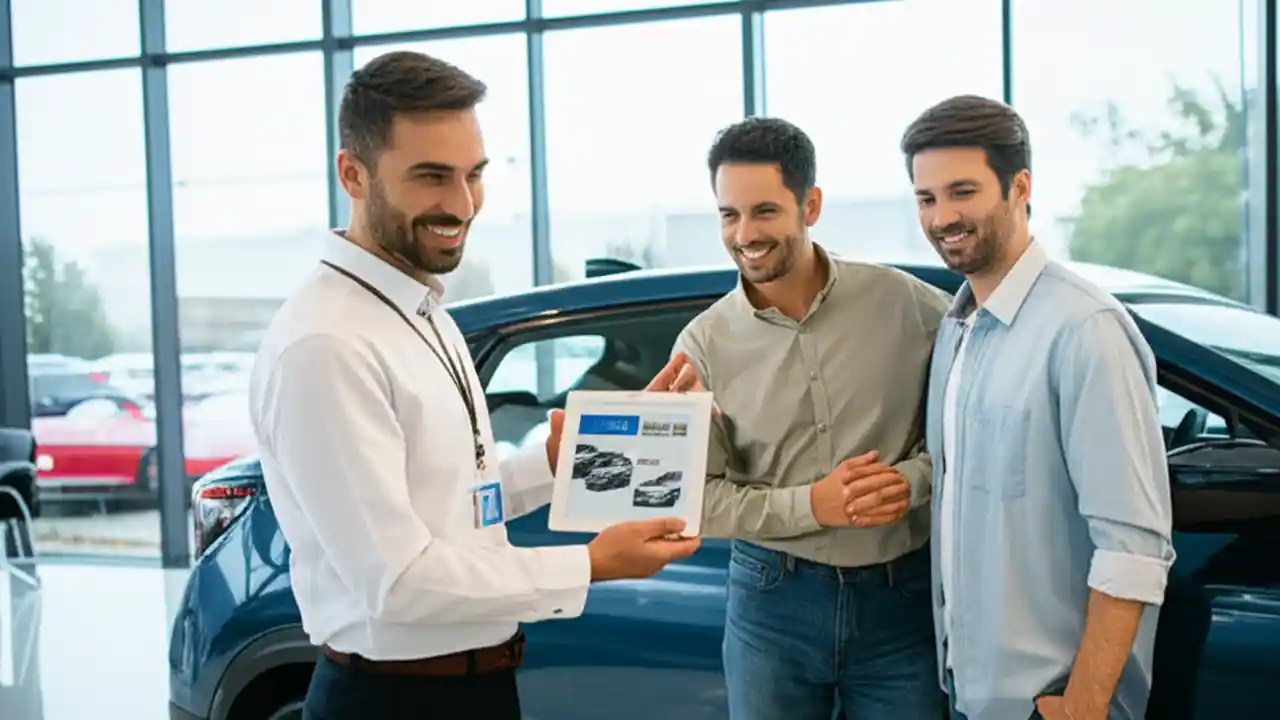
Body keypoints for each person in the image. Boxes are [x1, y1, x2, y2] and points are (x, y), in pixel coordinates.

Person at [247, 51, 701, 720]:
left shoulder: (421, 310)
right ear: (353, 173)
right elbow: (399, 583)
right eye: (432, 177)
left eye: (474, 175)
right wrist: (590, 565)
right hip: (393, 702)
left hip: (474, 689)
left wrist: (559, 462)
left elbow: (460, 504)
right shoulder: (327, 344)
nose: (462, 204)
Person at [649, 116, 950, 719]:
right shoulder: (703, 344)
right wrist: (814, 505)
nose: (744, 234)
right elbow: (690, 499)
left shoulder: (907, 305)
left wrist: (911, 482)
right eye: (728, 215)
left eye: (764, 211)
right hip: (771, 605)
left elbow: (974, 424)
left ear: (810, 204)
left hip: (902, 601)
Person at [899, 94, 1176, 720]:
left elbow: (1132, 548)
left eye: (962, 192)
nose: (943, 216)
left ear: (1019, 186)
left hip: (1050, 705)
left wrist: (1081, 706)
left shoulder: (1084, 329)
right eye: (926, 198)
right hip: (969, 696)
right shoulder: (957, 330)